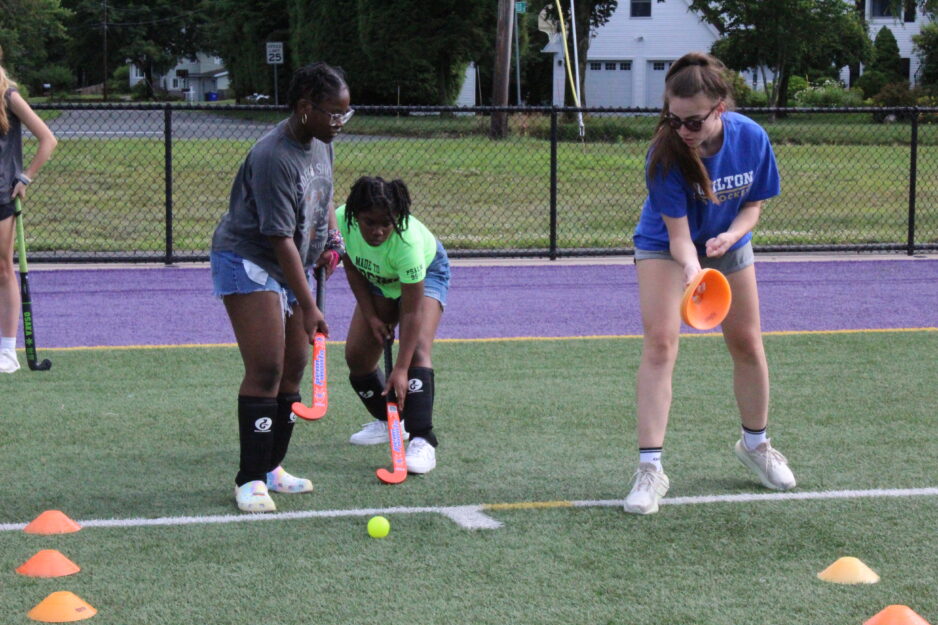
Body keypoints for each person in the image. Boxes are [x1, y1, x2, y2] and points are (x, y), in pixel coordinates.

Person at [624, 52, 795, 515]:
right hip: (666, 245)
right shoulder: (664, 153)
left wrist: (731, 237)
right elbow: (679, 237)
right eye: (673, 119)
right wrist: (693, 268)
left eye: (693, 121)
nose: (682, 131)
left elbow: (754, 205)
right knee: (661, 343)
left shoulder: (752, 138)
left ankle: (756, 446)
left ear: (720, 108)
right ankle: (649, 469)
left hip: (728, 242)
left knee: (747, 342)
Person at [210, 62, 352, 512]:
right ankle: (249, 479)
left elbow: (325, 194)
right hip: (250, 259)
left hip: (289, 263)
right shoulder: (274, 156)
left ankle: (273, 468)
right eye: (333, 114)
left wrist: (332, 237)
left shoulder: (320, 142)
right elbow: (279, 238)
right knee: (267, 367)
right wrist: (308, 305)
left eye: (345, 115)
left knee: (294, 364)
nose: (340, 124)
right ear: (305, 108)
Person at [339, 176, 450, 474]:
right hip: (378, 280)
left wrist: (400, 370)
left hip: (425, 274)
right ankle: (391, 420)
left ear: (397, 219)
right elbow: (350, 264)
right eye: (368, 222)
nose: (377, 231)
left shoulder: (407, 243)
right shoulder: (342, 221)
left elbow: (411, 313)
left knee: (416, 351)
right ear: (354, 216)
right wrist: (372, 316)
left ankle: (423, 439)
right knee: (358, 358)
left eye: (386, 224)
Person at [0, 51, 57, 374]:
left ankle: (8, 351)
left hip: (0, 196)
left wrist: (25, 177)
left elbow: (48, 139)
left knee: (3, 270)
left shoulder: (8, 94)